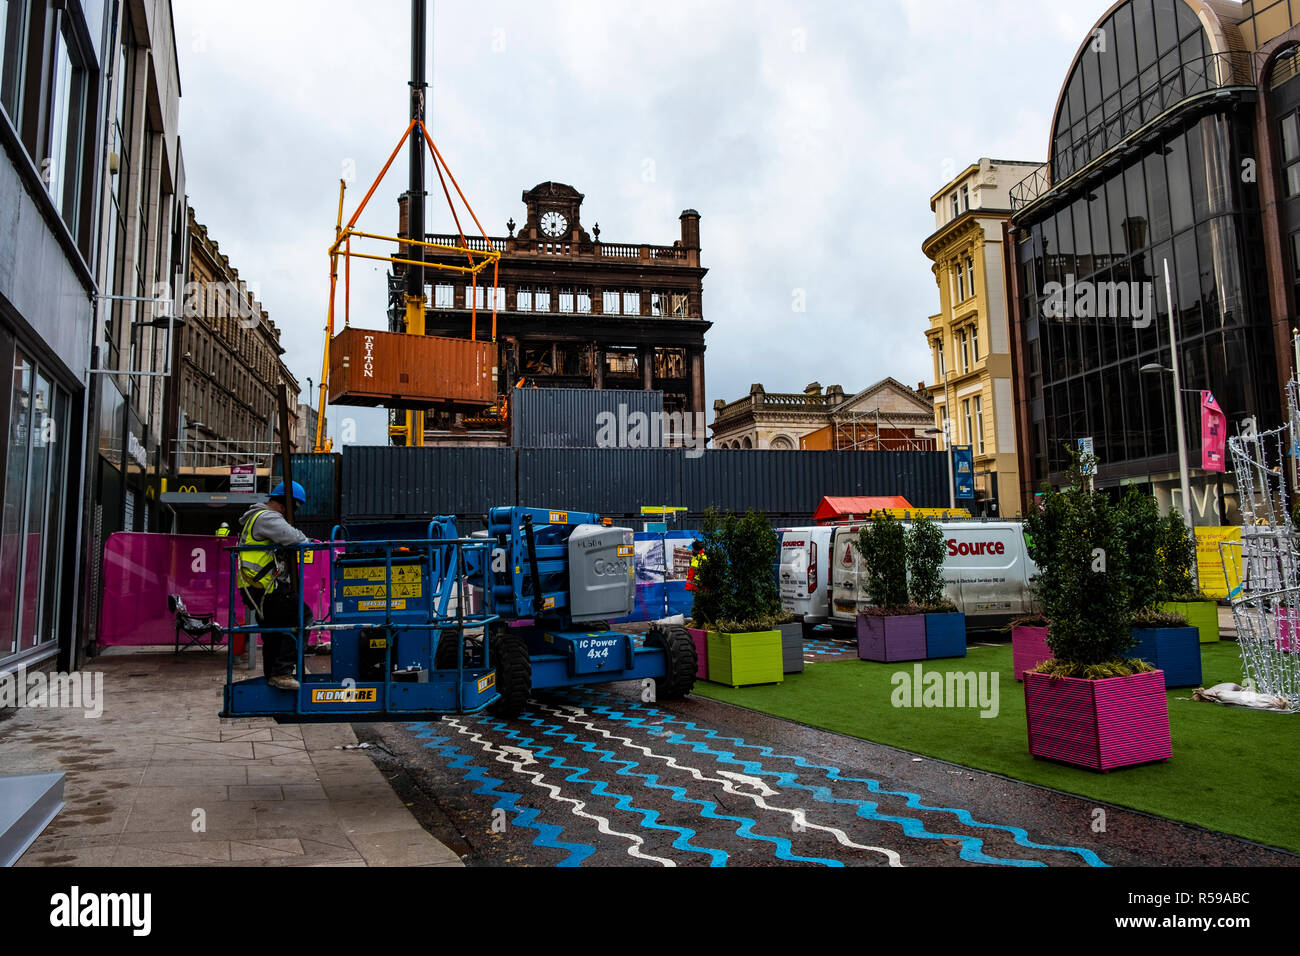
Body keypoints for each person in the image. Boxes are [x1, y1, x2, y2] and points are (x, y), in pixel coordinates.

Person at [237, 481, 309, 691]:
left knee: (274, 632)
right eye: (295, 506)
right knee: (303, 617)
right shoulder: (267, 517)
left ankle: (273, 675)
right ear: (287, 503)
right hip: (264, 588)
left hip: (256, 587)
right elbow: (296, 539)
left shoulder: (257, 518)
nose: (294, 512)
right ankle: (281, 672)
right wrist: (308, 541)